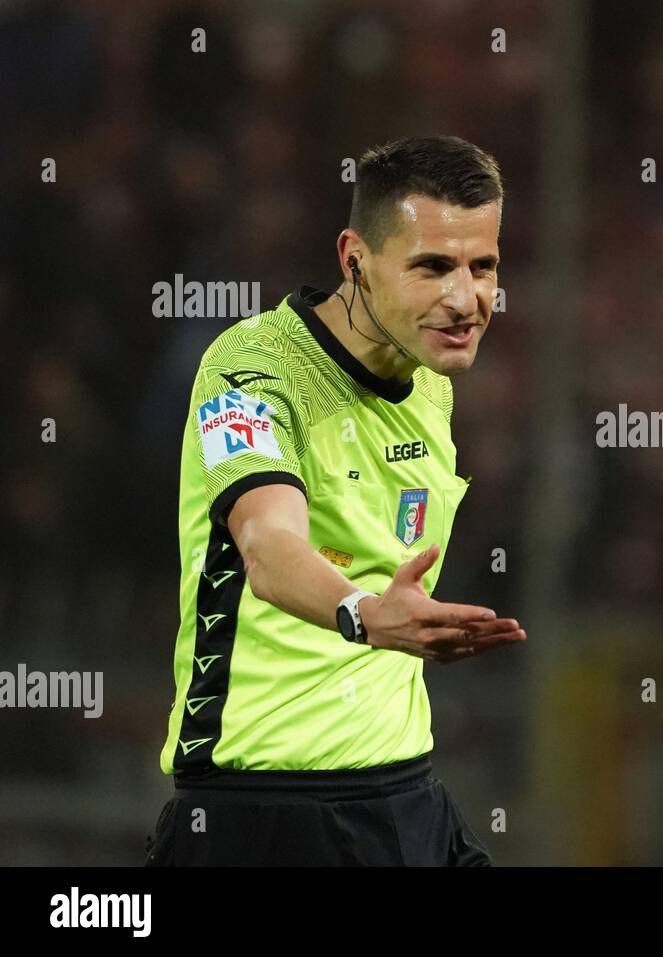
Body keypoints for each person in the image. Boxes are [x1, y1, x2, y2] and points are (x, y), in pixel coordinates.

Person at [145, 135, 524, 866]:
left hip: (407, 795)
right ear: (354, 258)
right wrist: (366, 612)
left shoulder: (431, 385)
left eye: (484, 266)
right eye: (433, 267)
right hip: (265, 816)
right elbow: (268, 545)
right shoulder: (249, 372)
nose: (466, 297)